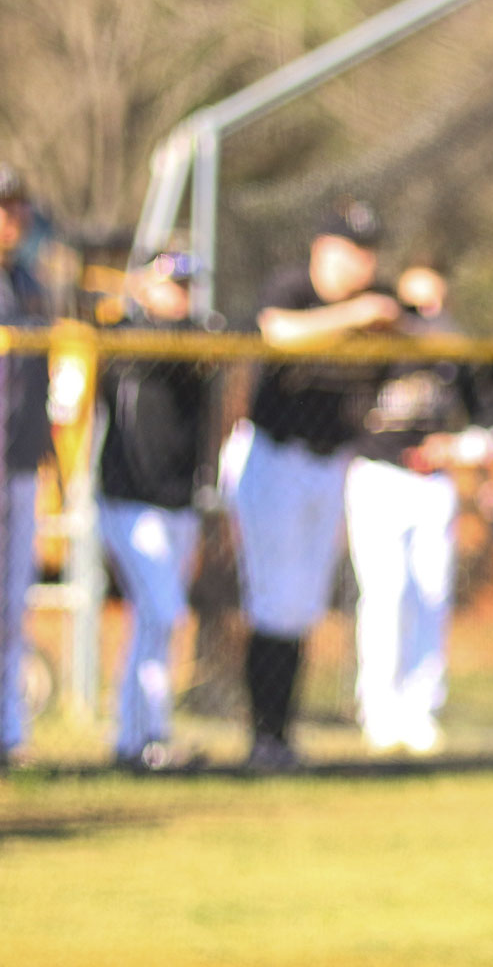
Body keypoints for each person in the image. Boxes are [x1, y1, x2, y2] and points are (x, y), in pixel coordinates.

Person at [224, 198, 399, 770]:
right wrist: (356, 317)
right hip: (275, 459)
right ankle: (263, 735)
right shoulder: (293, 287)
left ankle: (280, 736)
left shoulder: (379, 301)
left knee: (300, 606)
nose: (361, 264)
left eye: (368, 252)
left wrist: (401, 316)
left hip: (329, 465)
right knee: (271, 600)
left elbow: (436, 328)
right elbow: (278, 332)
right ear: (324, 249)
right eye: (352, 250)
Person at [344, 263, 493, 755]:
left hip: (432, 484)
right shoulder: (373, 348)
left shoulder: (453, 354)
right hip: (377, 478)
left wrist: (453, 449)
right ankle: (378, 709)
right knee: (386, 594)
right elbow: (344, 417)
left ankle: (420, 711)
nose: (425, 315)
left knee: (431, 597)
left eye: (435, 304)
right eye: (414, 305)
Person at [99, 252, 216, 771]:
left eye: (188, 286)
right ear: (147, 288)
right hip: (128, 502)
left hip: (179, 501)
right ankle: (143, 735)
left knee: (156, 621)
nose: (182, 295)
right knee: (163, 609)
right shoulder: (126, 336)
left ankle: (139, 738)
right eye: (172, 285)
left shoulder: (199, 341)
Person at [0, 164, 52, 769]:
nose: (10, 218)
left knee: (14, 603)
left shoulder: (32, 284)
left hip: (18, 463)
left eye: (16, 207)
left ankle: (9, 729)